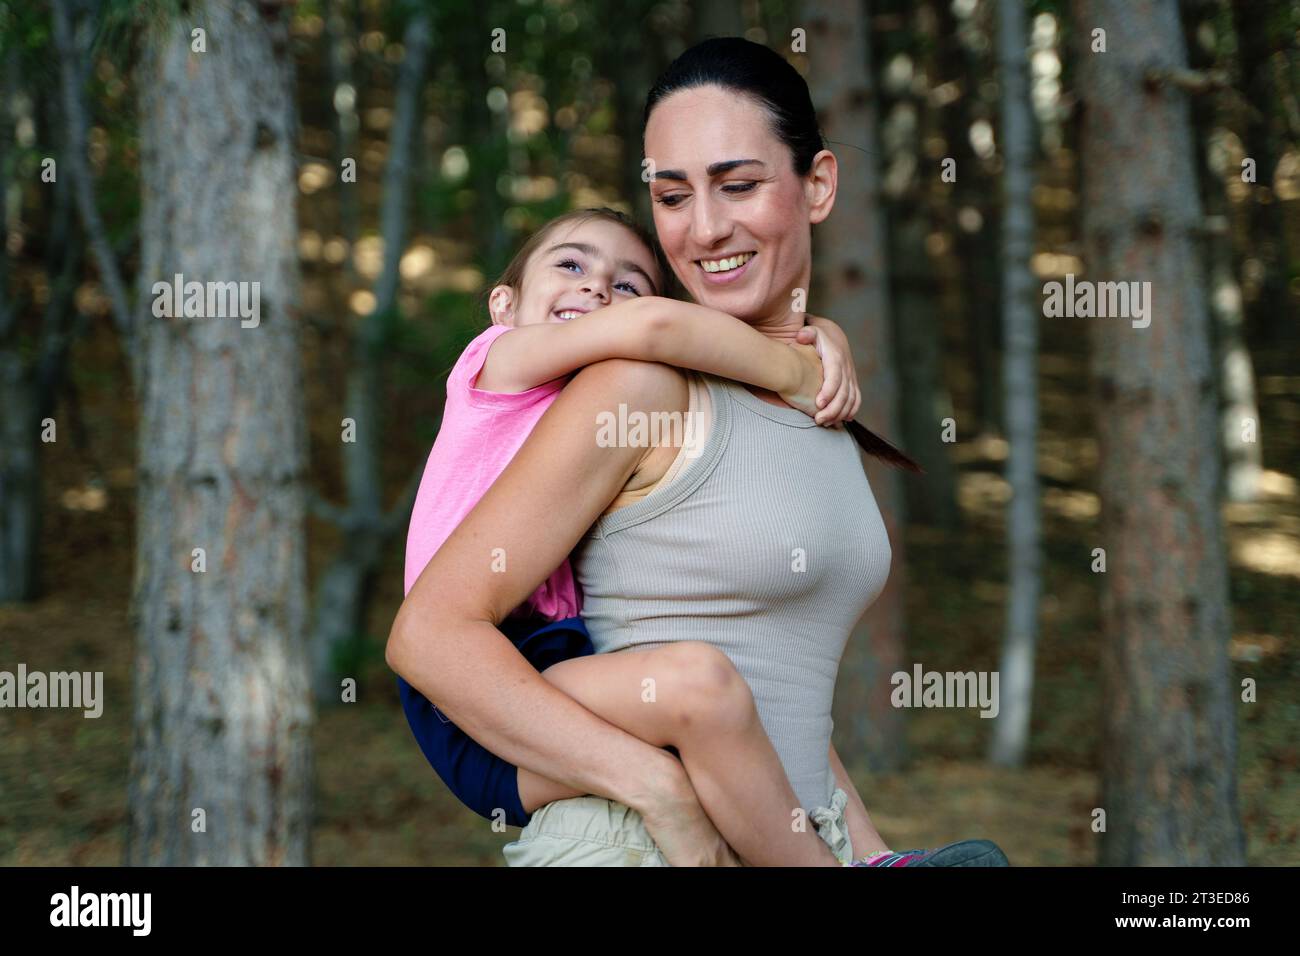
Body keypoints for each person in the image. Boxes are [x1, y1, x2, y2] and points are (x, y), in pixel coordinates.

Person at [387, 36, 1008, 867]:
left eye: (739, 184)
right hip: (642, 844)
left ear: (818, 183)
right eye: (673, 196)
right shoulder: (638, 390)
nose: (706, 226)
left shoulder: (817, 400)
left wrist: (873, 854)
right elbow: (431, 634)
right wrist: (656, 787)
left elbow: (783, 699)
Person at [398, 205, 872, 866]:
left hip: (556, 662)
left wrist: (820, 330)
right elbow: (660, 326)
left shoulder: (592, 402)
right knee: (696, 687)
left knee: (734, 718)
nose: (597, 288)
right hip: (476, 689)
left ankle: (864, 853)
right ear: (503, 303)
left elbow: (690, 341)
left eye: (627, 282)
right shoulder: (497, 359)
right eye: (571, 264)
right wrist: (800, 367)